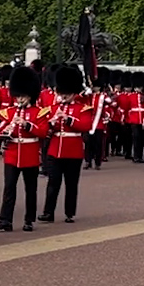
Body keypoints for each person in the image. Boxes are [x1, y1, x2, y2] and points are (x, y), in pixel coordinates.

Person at [0, 65, 49, 233]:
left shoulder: (39, 112)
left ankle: (29, 219)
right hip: (12, 153)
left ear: (30, 95)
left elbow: (43, 132)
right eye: (17, 96)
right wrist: (7, 128)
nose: (19, 100)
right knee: (9, 188)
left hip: (30, 153)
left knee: (30, 189)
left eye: (22, 96)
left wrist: (27, 124)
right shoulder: (7, 112)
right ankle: (5, 219)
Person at [39, 64, 94, 224]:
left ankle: (70, 213)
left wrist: (68, 119)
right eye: (62, 93)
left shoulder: (83, 108)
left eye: (67, 94)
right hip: (55, 149)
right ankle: (48, 212)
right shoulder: (53, 108)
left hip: (73, 149)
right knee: (52, 183)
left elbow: (85, 125)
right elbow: (45, 128)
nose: (64, 97)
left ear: (74, 93)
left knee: (71, 184)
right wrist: (51, 122)